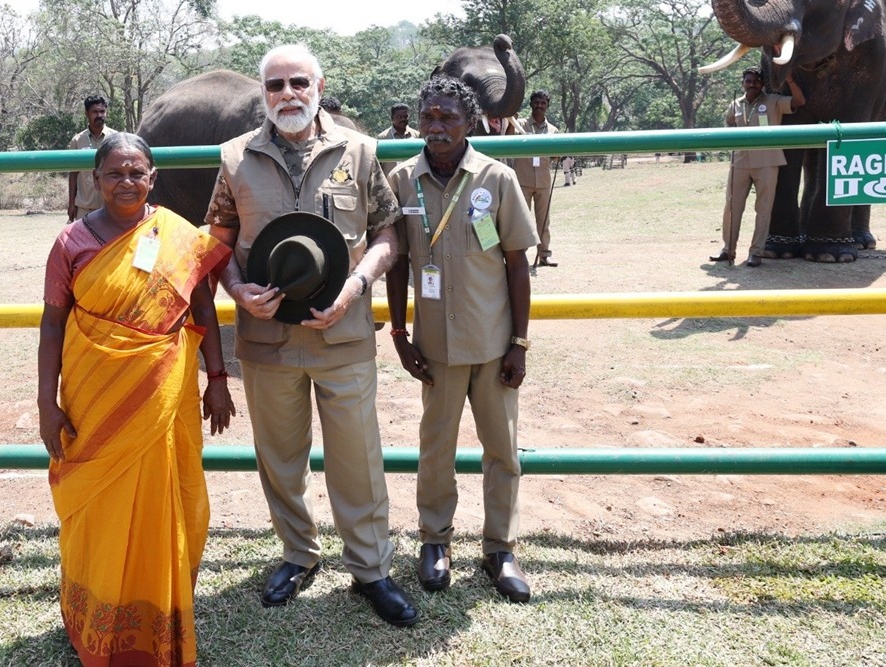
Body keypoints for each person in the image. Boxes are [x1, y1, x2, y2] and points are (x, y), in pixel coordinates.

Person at [205, 43, 419, 628]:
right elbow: (217, 242)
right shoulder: (234, 158)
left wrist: (353, 288)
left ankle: (371, 569)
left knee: (359, 456)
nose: (287, 94)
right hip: (267, 337)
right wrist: (236, 290)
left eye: (298, 82)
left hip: (342, 332)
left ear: (319, 85)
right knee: (279, 457)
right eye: (275, 86)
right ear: (263, 94)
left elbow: (386, 238)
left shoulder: (360, 149)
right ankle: (298, 555)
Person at [39, 132, 235, 666]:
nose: (126, 182)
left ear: (154, 178)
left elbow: (203, 309)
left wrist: (216, 378)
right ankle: (90, 611)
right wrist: (46, 404)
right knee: (98, 502)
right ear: (95, 180)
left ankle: (159, 607)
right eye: (114, 173)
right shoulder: (71, 243)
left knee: (165, 498)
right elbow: (53, 325)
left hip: (163, 393)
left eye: (137, 173)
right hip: (91, 395)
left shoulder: (177, 236)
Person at [386, 75, 538, 604]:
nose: (436, 127)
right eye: (429, 116)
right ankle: (435, 542)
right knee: (436, 449)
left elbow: (517, 263)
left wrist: (519, 342)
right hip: (436, 349)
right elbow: (399, 261)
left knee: (502, 451)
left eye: (448, 117)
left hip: (494, 344)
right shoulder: (404, 180)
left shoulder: (496, 179)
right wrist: (401, 334)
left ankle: (500, 548)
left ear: (470, 122)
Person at [712, 65, 804, 267]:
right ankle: (728, 250)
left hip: (767, 162)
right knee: (732, 207)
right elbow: (728, 125)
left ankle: (756, 252)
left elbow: (799, 101)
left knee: (763, 208)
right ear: (743, 83)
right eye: (748, 81)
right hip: (740, 162)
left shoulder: (773, 101)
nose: (752, 84)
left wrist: (790, 80)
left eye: (756, 81)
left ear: (762, 83)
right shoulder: (735, 104)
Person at [511, 90, 561, 268]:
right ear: (531, 104)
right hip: (522, 181)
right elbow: (509, 139)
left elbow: (556, 157)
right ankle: (519, 255)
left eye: (543, 103)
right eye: (536, 102)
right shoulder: (520, 125)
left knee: (544, 220)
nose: (539, 106)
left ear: (547, 106)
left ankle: (544, 255)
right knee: (521, 220)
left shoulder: (553, 130)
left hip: (543, 182)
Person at [67, 95, 117, 224]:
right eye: (95, 112)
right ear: (86, 114)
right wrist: (71, 204)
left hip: (110, 206)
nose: (99, 115)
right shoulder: (77, 140)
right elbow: (73, 174)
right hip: (84, 207)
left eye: (102, 111)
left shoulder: (116, 138)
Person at [377, 103, 421, 174]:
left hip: (412, 181)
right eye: (399, 117)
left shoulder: (416, 136)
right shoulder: (383, 138)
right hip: (390, 183)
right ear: (392, 118)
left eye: (405, 116)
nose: (403, 119)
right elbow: (377, 166)